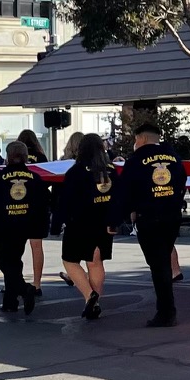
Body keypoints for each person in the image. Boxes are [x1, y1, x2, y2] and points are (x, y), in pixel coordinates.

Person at [110, 122, 187, 327]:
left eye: (136, 139)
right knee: (163, 262)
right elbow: (182, 182)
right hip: (171, 217)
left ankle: (166, 312)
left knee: (158, 265)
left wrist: (115, 220)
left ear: (142, 138)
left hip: (149, 218)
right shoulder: (174, 157)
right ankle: (167, 310)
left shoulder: (136, 161)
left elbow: (125, 193)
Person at [0, 139, 45, 315]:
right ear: (26, 157)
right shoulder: (35, 178)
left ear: (8, 157)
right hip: (26, 225)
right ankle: (10, 301)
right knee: (14, 261)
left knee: (3, 260)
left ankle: (24, 289)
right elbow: (43, 203)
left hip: (4, 225)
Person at [59, 133, 115, 319]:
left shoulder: (76, 171)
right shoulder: (111, 170)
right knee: (95, 262)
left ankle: (89, 295)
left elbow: (65, 200)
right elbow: (119, 197)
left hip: (80, 223)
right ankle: (95, 303)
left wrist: (59, 222)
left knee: (70, 260)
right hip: (105, 223)